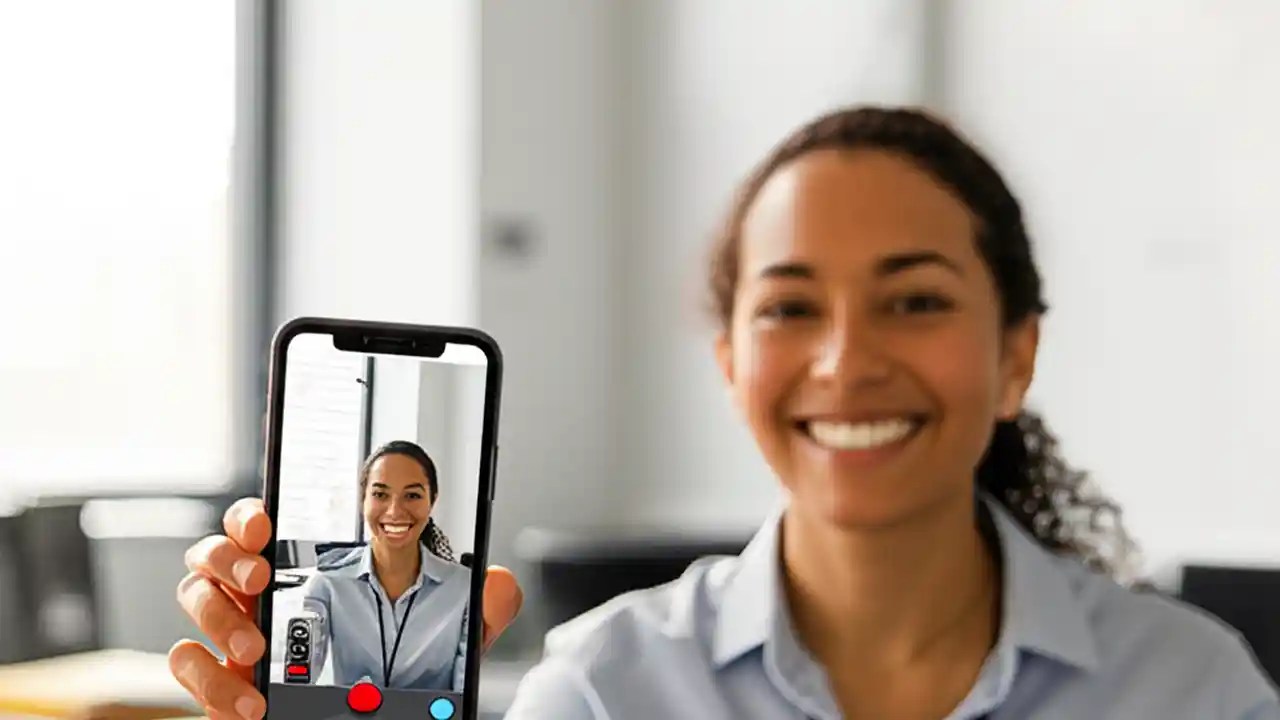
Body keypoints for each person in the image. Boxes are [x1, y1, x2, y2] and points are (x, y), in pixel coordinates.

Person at [170, 106, 1279, 719]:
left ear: (1014, 357)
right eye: (791, 306)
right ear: (731, 362)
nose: (845, 360)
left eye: (915, 300)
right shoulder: (603, 695)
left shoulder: (1193, 691)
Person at [283, 440, 470, 692]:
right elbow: (300, 681)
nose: (395, 511)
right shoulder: (328, 582)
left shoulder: (464, 587)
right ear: (363, 501)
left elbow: (465, 693)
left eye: (412, 496)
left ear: (432, 501)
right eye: (380, 494)